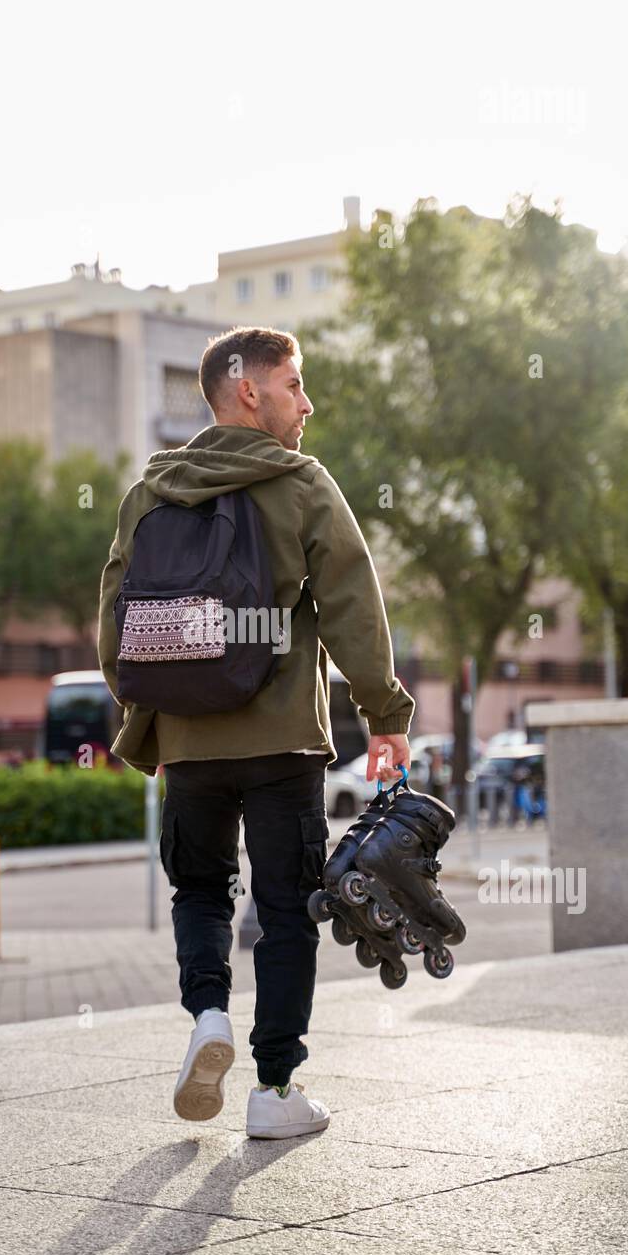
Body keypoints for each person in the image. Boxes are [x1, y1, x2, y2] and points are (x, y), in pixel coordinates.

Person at [98, 327, 414, 1139]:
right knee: (284, 909)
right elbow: (352, 607)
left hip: (188, 743)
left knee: (200, 891)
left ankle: (208, 1014)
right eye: (295, 386)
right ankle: (275, 1091)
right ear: (249, 391)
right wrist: (384, 716)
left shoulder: (150, 491)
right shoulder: (300, 481)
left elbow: (113, 628)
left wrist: (153, 710)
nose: (306, 404)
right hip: (282, 745)